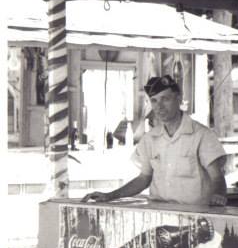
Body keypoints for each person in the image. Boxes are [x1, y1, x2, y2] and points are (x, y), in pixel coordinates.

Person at [83, 74, 228, 207]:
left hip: (194, 215)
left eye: (165, 99)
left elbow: (217, 177)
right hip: (158, 212)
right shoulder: (149, 139)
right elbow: (144, 178)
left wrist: (218, 195)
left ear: (178, 99)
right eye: (154, 100)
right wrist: (110, 196)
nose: (159, 106)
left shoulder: (202, 135)